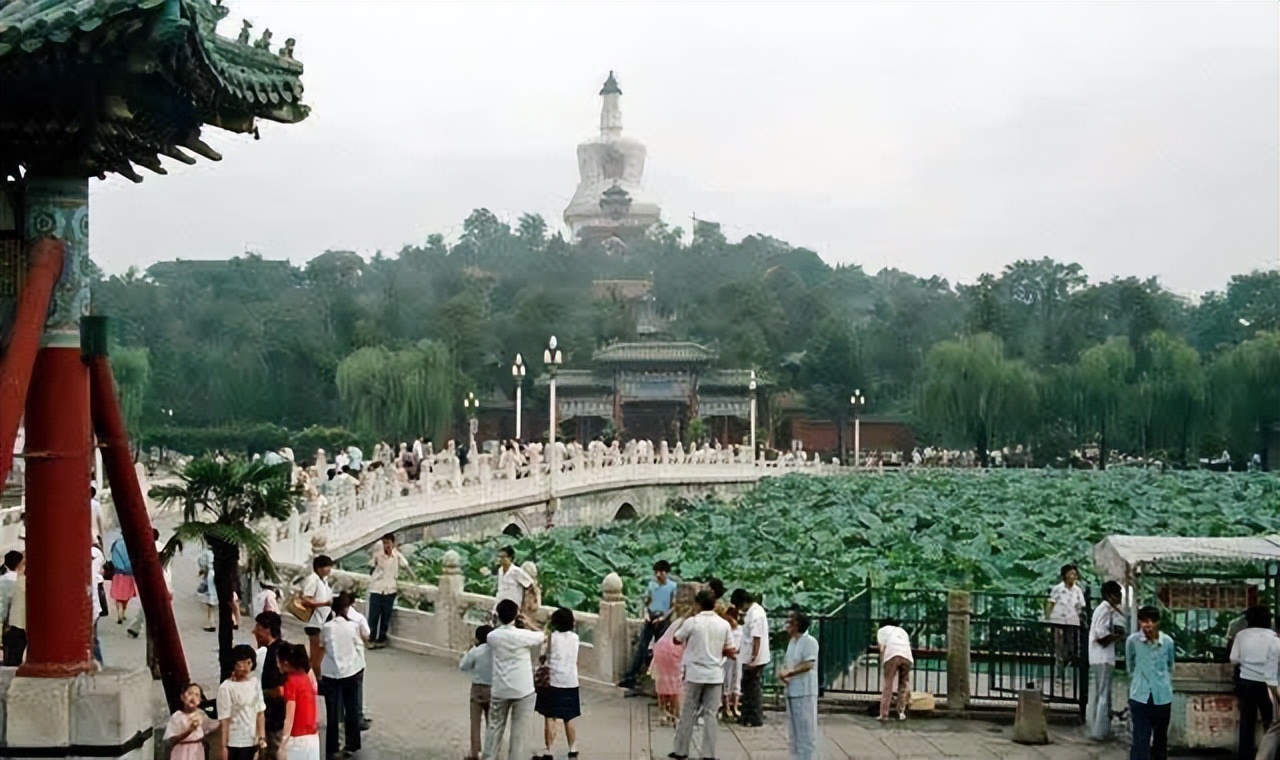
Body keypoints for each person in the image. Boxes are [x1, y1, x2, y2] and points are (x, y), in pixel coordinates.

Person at [669, 588, 736, 760]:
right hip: (715, 674)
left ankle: (681, 750)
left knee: (688, 711)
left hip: (694, 673)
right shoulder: (724, 624)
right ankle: (709, 753)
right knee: (711, 715)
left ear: (698, 604)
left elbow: (676, 639)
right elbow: (731, 649)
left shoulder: (693, 622)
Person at [484, 599, 545, 760]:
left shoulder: (492, 637)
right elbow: (541, 636)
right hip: (523, 689)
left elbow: (491, 632)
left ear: (498, 615)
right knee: (519, 733)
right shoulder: (523, 636)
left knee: (494, 727)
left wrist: (494, 620)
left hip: (500, 689)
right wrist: (528, 623)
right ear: (516, 615)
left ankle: (489, 756)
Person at [619, 560, 677, 691]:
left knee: (661, 649)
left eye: (660, 572)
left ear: (666, 573)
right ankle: (631, 677)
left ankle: (661, 682)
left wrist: (663, 618)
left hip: (663, 619)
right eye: (656, 572)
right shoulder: (652, 585)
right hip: (651, 615)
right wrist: (646, 613)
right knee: (642, 647)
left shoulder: (672, 586)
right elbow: (647, 601)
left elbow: (673, 606)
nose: (658, 575)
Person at [1126, 606, 1175, 760]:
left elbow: (1170, 664)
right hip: (1140, 696)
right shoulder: (1132, 641)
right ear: (1140, 622)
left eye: (1152, 621)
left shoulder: (1167, 642)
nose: (1149, 625)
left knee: (1160, 740)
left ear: (1158, 622)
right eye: (1145, 621)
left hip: (1162, 696)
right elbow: (1130, 665)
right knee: (1140, 739)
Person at [1230, 606, 1278, 760]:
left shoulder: (1241, 635)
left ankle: (1245, 755)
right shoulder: (1274, 638)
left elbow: (1233, 659)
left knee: (1247, 722)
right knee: (1271, 723)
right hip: (1268, 685)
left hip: (1246, 683)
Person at [319, 593, 364, 757]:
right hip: (352, 671)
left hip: (331, 674)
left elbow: (322, 644)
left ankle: (332, 747)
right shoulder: (352, 626)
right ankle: (352, 743)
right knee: (351, 708)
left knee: (332, 712)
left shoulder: (327, 627)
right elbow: (359, 644)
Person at [536, 607, 581, 760]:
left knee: (550, 716)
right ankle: (573, 748)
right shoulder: (575, 638)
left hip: (553, 682)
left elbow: (542, 657)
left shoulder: (551, 638)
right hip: (571, 681)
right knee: (569, 716)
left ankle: (549, 750)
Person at [1086, 581, 1127, 741]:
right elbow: (1101, 636)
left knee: (1099, 693)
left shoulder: (1104, 610)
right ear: (1111, 595)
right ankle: (1099, 731)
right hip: (1103, 657)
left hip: (1098, 657)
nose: (1120, 599)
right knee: (1103, 694)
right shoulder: (1105, 610)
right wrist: (1119, 637)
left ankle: (1097, 727)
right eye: (1118, 595)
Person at [779, 609, 820, 760]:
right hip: (792, 689)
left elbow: (808, 664)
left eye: (790, 622)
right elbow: (789, 662)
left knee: (806, 730)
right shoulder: (792, 642)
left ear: (796, 624)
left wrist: (789, 672)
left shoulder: (809, 642)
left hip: (805, 690)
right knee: (794, 731)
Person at [218, 644, 267, 760]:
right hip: (235, 742)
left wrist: (262, 737)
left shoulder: (255, 682)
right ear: (234, 664)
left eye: (249, 663)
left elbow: (260, 712)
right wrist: (223, 746)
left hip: (253, 740)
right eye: (241, 663)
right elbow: (224, 720)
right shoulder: (226, 687)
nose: (245, 667)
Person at [252, 611, 287, 760]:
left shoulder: (272, 654)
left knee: (272, 752)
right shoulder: (286, 648)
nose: (254, 632)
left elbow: (278, 690)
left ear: (267, 630)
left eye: (258, 628)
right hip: (281, 715)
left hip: (274, 716)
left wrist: (258, 695)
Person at [732, 588, 770, 727]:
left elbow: (756, 637)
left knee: (752, 688)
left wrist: (754, 657)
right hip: (749, 655)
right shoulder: (753, 612)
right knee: (747, 687)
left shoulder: (756, 614)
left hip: (754, 657)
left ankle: (754, 716)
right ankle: (747, 714)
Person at [367, 532, 408, 649]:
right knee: (373, 616)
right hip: (376, 588)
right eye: (384, 543)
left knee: (386, 617)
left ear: (393, 543)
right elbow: (370, 566)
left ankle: (381, 639)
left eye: (388, 543)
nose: (386, 546)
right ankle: (371, 638)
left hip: (390, 589)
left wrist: (396, 552)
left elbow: (405, 565)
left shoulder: (397, 556)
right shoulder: (378, 555)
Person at [279, 644, 321, 760]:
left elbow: (290, 716)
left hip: (297, 739)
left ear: (285, 663)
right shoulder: (307, 678)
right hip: (312, 737)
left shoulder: (291, 682)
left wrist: (283, 743)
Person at [127, 529, 170, 640]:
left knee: (146, 607)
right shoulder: (164, 547)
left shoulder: (149, 548)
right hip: (166, 580)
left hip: (152, 581)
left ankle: (138, 628)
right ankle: (137, 627)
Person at [459, 625, 494, 760]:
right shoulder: (496, 651)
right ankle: (492, 752)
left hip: (478, 688)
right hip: (493, 688)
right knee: (493, 723)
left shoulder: (476, 651)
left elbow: (463, 666)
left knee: (475, 723)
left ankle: (475, 752)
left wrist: (471, 648)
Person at [163, 682, 220, 760]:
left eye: (197, 695)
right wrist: (189, 730)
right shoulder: (177, 716)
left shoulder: (201, 714)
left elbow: (212, 726)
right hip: (181, 751)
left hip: (197, 750)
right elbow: (171, 739)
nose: (193, 697)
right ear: (182, 697)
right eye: (190, 693)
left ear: (200, 700)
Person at [1047, 563, 1087, 671]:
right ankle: (1058, 667)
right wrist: (1048, 618)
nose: (1073, 576)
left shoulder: (1077, 590)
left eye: (1075, 574)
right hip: (1058, 619)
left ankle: (1067, 660)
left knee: (1071, 644)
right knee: (1058, 644)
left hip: (1071, 619)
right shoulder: (1057, 589)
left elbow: (1080, 605)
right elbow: (1051, 603)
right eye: (1071, 574)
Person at [300, 555, 335, 677]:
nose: (329, 569)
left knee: (321, 651)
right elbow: (305, 600)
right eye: (326, 566)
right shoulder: (313, 580)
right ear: (319, 568)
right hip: (315, 621)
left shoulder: (323, 581)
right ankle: (317, 678)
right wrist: (324, 603)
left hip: (324, 619)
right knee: (316, 653)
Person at [877, 616, 913, 721]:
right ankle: (901, 712)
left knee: (888, 684)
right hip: (907, 656)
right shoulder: (902, 631)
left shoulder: (882, 631)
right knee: (903, 683)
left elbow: (882, 648)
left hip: (892, 655)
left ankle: (884, 714)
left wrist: (883, 663)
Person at [0, 551, 25, 666]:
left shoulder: (3, 579)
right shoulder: (17, 581)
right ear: (20, 564)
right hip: (15, 624)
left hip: (6, 624)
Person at [494, 546, 533, 613]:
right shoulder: (500, 570)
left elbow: (530, 584)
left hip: (512, 607)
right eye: (499, 557)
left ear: (510, 558)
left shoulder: (517, 571)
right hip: (499, 604)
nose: (500, 559)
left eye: (502, 557)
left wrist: (526, 602)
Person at [721, 605, 743, 720]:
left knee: (737, 680)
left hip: (738, 656)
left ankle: (735, 706)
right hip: (727, 656)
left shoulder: (740, 629)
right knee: (727, 681)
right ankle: (726, 707)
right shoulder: (725, 629)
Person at [108, 534, 136, 624]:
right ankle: (123, 612)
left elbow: (113, 558)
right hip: (129, 573)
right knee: (126, 595)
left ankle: (119, 613)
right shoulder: (133, 545)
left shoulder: (116, 544)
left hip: (118, 573)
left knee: (118, 595)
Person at [197, 547, 217, 632]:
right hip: (222, 574)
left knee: (211, 598)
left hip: (211, 573)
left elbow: (201, 561)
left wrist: (204, 570)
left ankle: (211, 622)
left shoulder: (207, 552)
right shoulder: (222, 551)